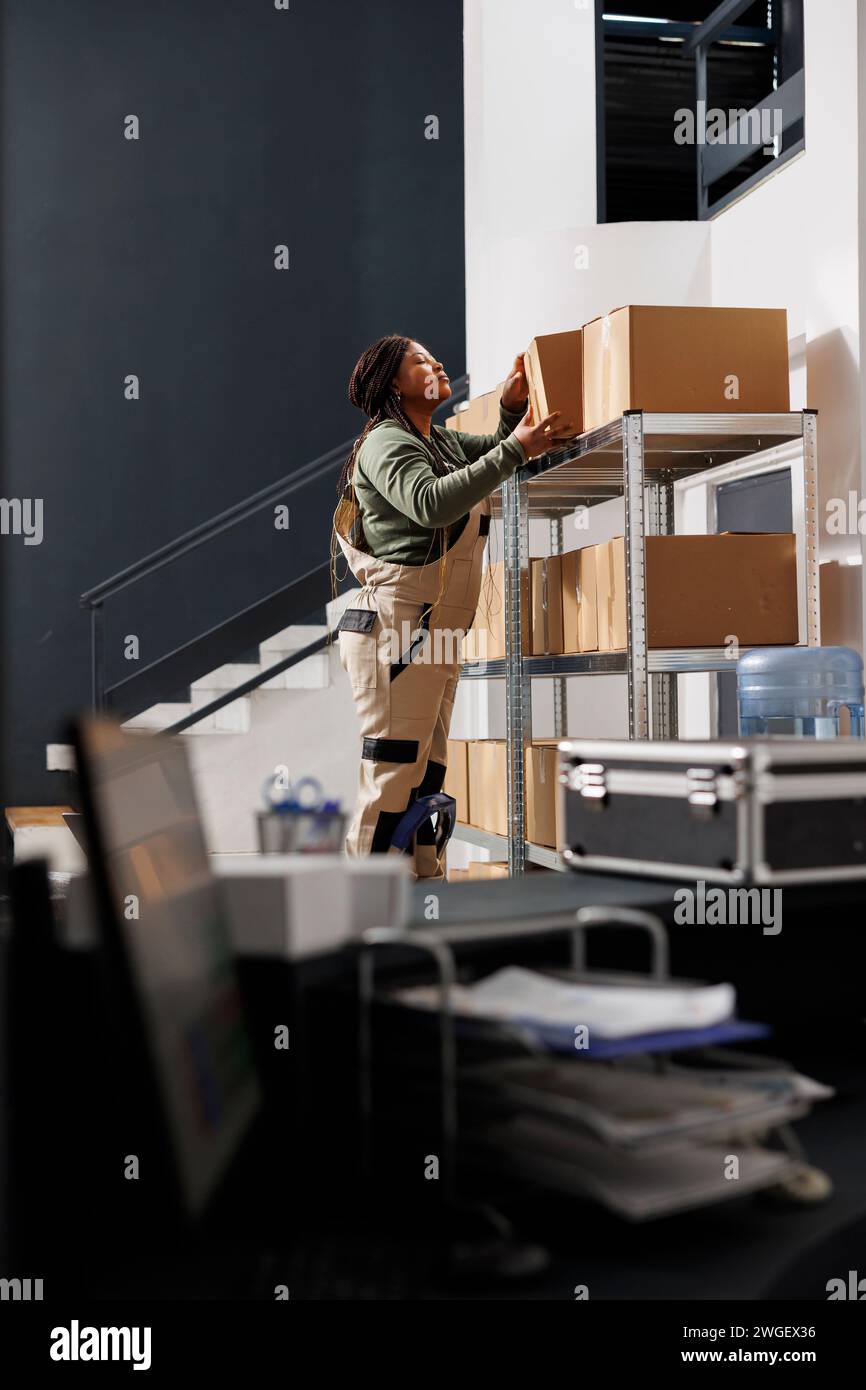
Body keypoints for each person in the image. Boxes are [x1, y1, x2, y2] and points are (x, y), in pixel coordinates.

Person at [331, 333, 574, 880]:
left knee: (426, 775)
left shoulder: (435, 441)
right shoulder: (387, 443)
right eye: (420, 360)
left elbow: (491, 454)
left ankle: (420, 891)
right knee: (393, 771)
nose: (436, 362)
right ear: (393, 382)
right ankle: (365, 908)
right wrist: (517, 446)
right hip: (400, 627)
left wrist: (512, 408)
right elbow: (432, 504)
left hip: (436, 631)